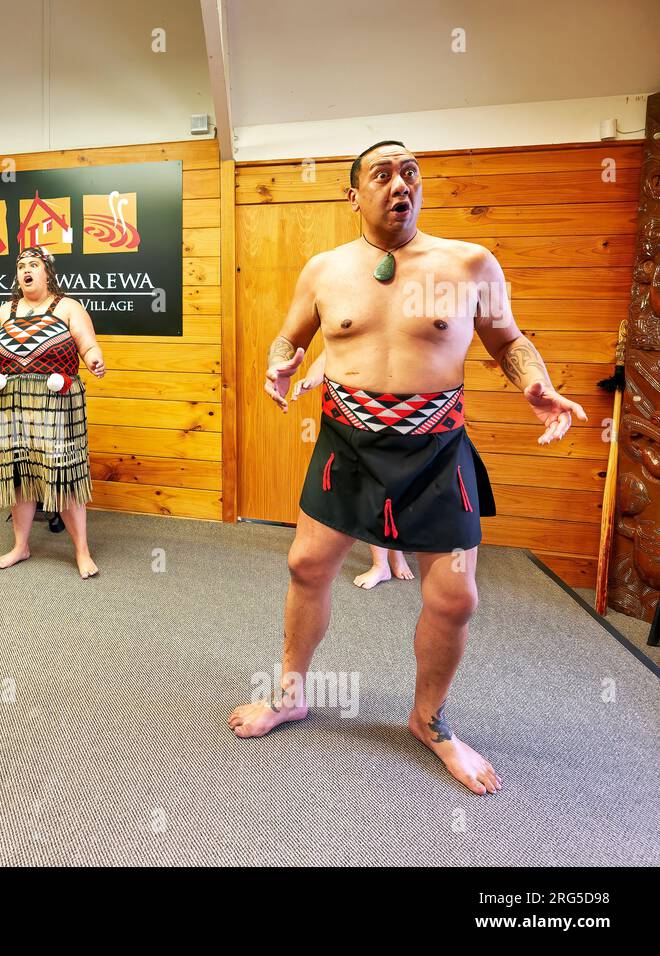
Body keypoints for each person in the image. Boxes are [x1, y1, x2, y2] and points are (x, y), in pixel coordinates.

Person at [229, 141, 587, 795]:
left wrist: (533, 383)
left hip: (436, 449)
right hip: (347, 444)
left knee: (455, 598)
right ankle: (289, 693)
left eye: (411, 172)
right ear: (353, 194)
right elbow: (292, 337)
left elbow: (510, 341)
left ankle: (430, 721)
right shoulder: (323, 270)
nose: (401, 183)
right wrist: (279, 361)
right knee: (306, 566)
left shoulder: (468, 263)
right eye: (383, 173)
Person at [0, 246, 104, 578]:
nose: (26, 270)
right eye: (20, 266)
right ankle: (21, 546)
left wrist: (93, 359)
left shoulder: (68, 307)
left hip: (57, 403)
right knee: (18, 477)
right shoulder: (5, 311)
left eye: (33, 264)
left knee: (67, 477)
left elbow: (87, 345)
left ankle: (82, 552)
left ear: (47, 273)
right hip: (13, 403)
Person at [293, 349, 415, 589]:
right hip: (364, 415)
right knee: (373, 491)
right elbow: (328, 355)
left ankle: (396, 554)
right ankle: (380, 565)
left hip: (411, 415)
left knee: (401, 492)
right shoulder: (355, 323)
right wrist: (310, 380)